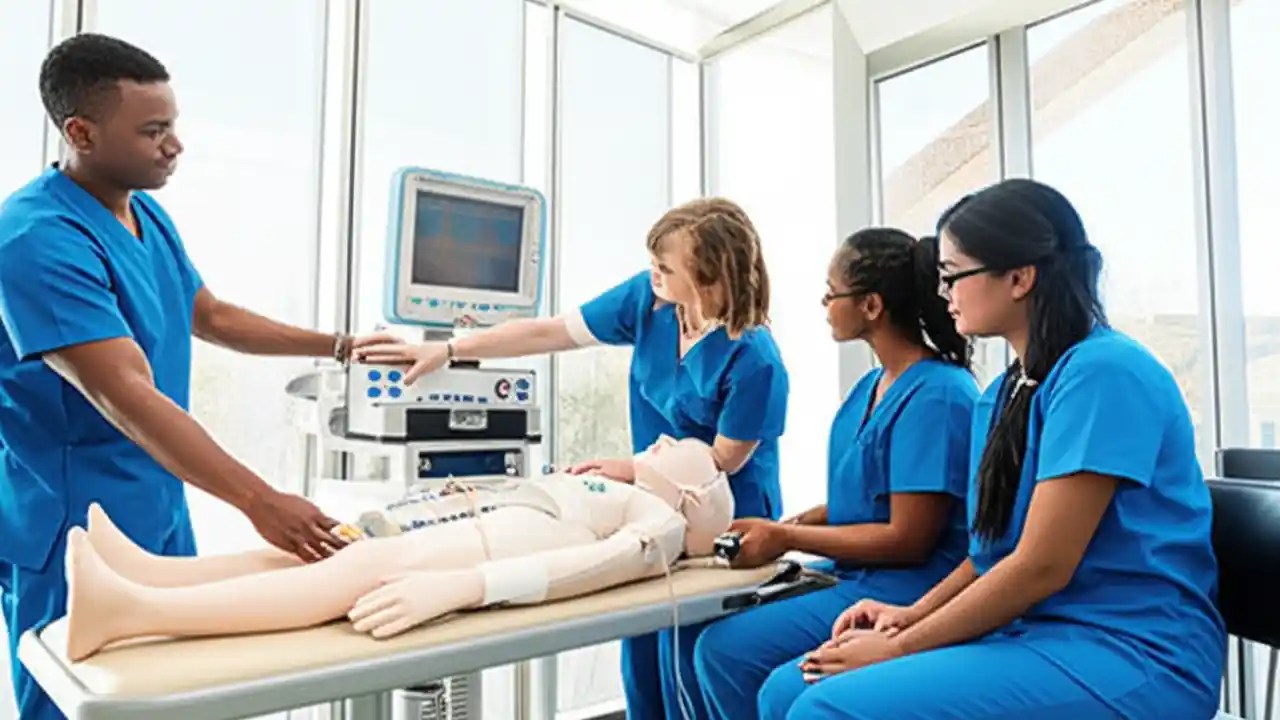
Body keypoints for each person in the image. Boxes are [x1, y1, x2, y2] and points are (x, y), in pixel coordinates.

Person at [0, 33, 380, 719]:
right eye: (152, 131)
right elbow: (126, 395)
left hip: (159, 500)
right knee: (75, 701)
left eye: (172, 125)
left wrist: (344, 344)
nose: (174, 146)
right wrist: (261, 501)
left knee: (175, 690)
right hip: (74, 521)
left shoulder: (143, 211)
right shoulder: (35, 238)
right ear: (80, 131)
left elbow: (211, 314)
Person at [759, 178, 1226, 719]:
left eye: (953, 276)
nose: (943, 294)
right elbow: (992, 556)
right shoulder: (1006, 392)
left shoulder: (1104, 374)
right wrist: (910, 615)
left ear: (1020, 278)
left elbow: (1039, 566)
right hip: (1037, 631)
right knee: (785, 692)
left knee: (826, 710)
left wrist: (902, 647)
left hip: (1131, 651)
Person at [354, 196, 789, 720]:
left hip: (718, 517)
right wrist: (451, 350)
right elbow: (550, 331)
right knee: (645, 653)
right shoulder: (651, 302)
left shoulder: (756, 359)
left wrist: (628, 470)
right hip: (647, 507)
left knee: (695, 659)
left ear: (707, 276)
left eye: (665, 267)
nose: (653, 272)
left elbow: (722, 462)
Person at [62, 435, 733, 662]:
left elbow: (585, 568)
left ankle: (133, 612)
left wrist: (466, 588)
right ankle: (155, 575)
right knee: (316, 557)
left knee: (337, 576)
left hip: (468, 559)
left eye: (675, 450)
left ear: (691, 495)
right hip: (451, 532)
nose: (660, 444)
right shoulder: (613, 487)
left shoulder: (657, 523)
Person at [692, 228, 978, 719]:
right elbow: (867, 497)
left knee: (729, 651)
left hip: (909, 585)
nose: (824, 304)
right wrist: (794, 526)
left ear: (871, 305)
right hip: (860, 573)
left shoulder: (939, 394)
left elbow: (908, 538)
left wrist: (786, 537)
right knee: (712, 637)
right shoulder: (873, 384)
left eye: (831, 293)